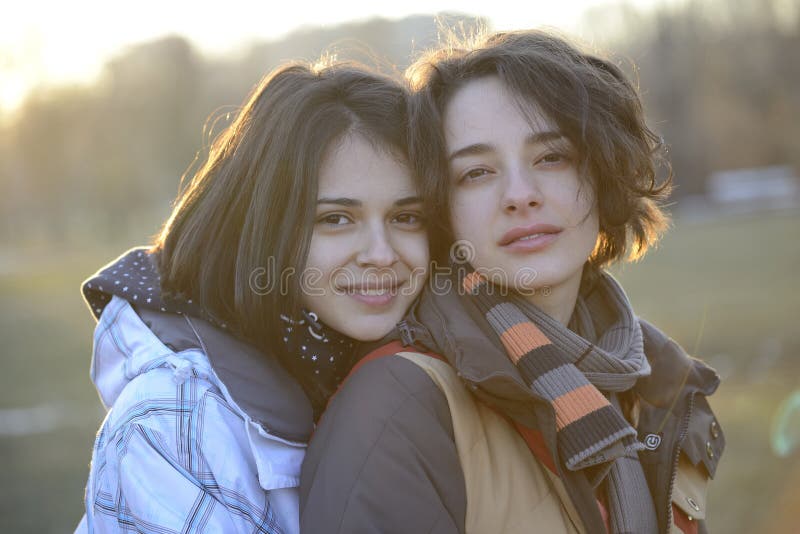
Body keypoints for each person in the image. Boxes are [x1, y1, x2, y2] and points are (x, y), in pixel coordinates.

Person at [300, 30, 724, 534]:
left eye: (551, 157)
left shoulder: (653, 379)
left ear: (603, 171)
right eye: (477, 172)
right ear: (440, 207)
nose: (520, 195)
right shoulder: (400, 403)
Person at [76, 59, 429, 533]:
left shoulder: (422, 367)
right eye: (335, 219)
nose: (382, 255)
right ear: (265, 226)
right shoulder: (171, 420)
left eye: (406, 217)